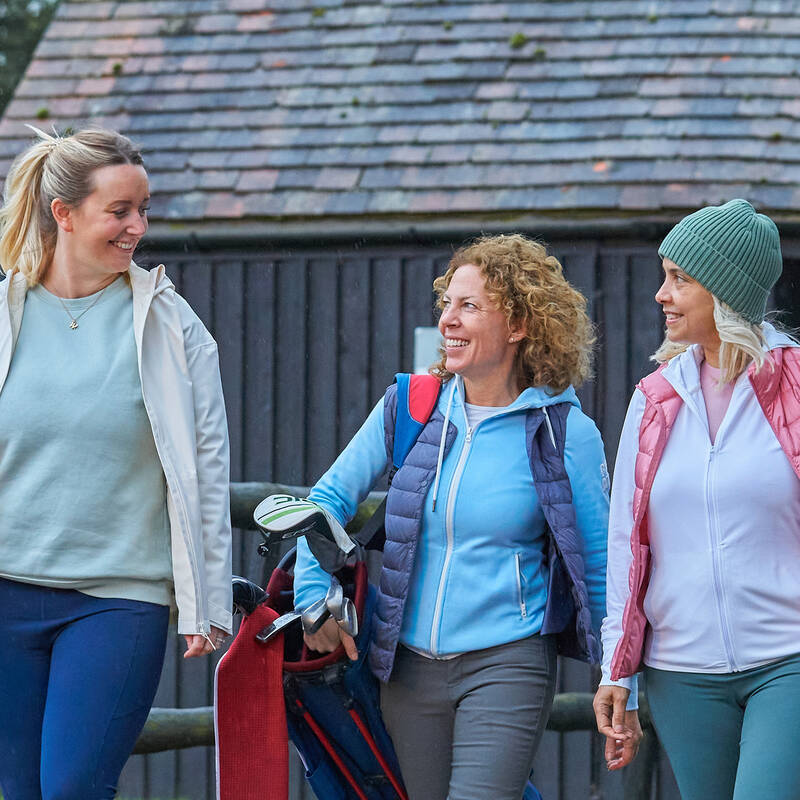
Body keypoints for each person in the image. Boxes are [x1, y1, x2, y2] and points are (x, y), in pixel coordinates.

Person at [293, 233, 610, 800]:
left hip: (507, 662)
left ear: (518, 325)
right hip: (405, 666)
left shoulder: (564, 432)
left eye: (469, 307)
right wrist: (313, 595)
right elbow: (323, 503)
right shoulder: (408, 407)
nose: (448, 321)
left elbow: (601, 563)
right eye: (447, 304)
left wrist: (619, 678)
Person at [0, 127, 232, 800]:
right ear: (64, 215)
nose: (137, 226)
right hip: (5, 591)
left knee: (72, 788)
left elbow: (207, 468)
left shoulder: (173, 327)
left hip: (116, 599)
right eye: (120, 211)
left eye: (144, 208)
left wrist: (205, 600)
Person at [594, 199, 800, 799]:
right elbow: (624, 543)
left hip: (788, 659)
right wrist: (619, 672)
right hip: (680, 674)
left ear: (726, 290)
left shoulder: (794, 388)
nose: (662, 294)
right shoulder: (654, 398)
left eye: (680, 279)